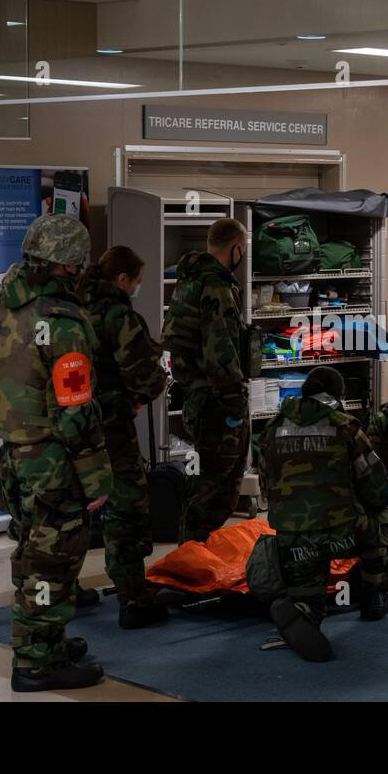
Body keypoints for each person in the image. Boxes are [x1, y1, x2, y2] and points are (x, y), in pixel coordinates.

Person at [0, 214, 113, 692]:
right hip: (54, 460)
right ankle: (35, 663)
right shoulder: (62, 322)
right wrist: (97, 476)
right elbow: (75, 410)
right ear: (68, 265)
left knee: (32, 551)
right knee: (55, 559)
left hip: (14, 454)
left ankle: (44, 640)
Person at [257, 367, 388, 662]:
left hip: (291, 538)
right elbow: (377, 489)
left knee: (307, 584)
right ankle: (373, 595)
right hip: (340, 534)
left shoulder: (273, 427)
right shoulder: (344, 425)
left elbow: (265, 483)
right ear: (338, 395)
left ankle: (305, 610)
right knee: (384, 515)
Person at [77, 246, 170, 630]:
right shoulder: (118, 316)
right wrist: (144, 391)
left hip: (71, 426)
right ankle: (133, 597)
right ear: (122, 279)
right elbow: (145, 374)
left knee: (70, 506)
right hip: (112, 427)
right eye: (137, 281)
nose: (137, 288)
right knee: (126, 508)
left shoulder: (70, 308)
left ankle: (61, 586)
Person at [161, 218, 254, 543]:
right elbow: (221, 350)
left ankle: (197, 553)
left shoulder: (190, 281)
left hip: (196, 397)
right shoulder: (217, 287)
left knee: (207, 481)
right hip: (217, 401)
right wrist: (235, 402)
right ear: (237, 248)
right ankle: (194, 556)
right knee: (216, 486)